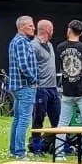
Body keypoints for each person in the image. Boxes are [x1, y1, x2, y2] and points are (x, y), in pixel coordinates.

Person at [54, 20, 82, 156]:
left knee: (63, 123)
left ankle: (59, 152)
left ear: (69, 30)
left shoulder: (60, 47)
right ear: (81, 33)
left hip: (67, 91)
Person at [5, 14, 40, 158]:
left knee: (18, 118)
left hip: (18, 85)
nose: (33, 28)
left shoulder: (18, 41)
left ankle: (14, 149)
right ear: (22, 27)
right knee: (25, 119)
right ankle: (19, 151)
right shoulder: (21, 42)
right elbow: (23, 65)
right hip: (24, 85)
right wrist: (33, 79)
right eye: (30, 25)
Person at [30, 18, 59, 155]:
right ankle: (35, 146)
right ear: (47, 30)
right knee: (38, 118)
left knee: (57, 118)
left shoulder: (50, 45)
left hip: (53, 87)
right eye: (52, 29)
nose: (53, 31)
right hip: (41, 88)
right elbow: (31, 66)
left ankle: (57, 145)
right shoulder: (34, 46)